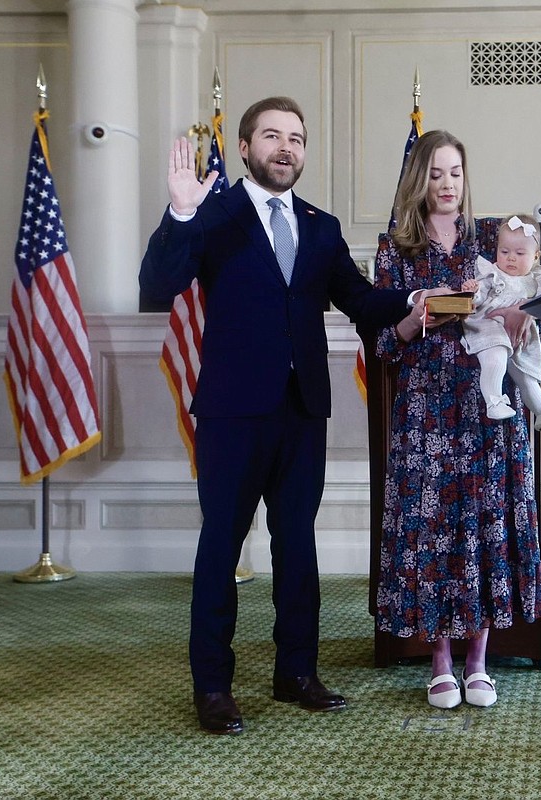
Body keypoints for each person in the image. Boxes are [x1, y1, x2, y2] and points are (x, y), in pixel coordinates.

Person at [139, 96, 446, 735]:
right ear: (246, 148)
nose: (286, 148)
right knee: (220, 547)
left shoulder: (321, 225)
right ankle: (213, 688)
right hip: (230, 412)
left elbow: (358, 298)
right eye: (272, 136)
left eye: (297, 139)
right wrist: (179, 211)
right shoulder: (213, 214)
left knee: (297, 547)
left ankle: (296, 674)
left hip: (302, 410)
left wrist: (412, 300)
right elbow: (157, 286)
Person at [372, 130, 541, 710]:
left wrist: (518, 309)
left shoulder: (492, 236)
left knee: (485, 526)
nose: (448, 185)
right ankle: (441, 660)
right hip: (427, 407)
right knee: (437, 531)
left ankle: (479, 659)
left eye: (456, 174)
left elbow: (529, 284)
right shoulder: (393, 249)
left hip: (487, 403)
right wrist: (414, 317)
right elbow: (381, 344)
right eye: (436, 174)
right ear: (417, 180)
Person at [459, 214, 541, 430]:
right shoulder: (492, 273)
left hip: (520, 335)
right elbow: (479, 298)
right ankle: (494, 400)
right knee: (495, 358)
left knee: (527, 374)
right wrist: (472, 292)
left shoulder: (537, 281)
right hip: (488, 326)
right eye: (505, 252)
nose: (511, 258)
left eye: (520, 253)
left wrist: (531, 307)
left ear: (536, 256)